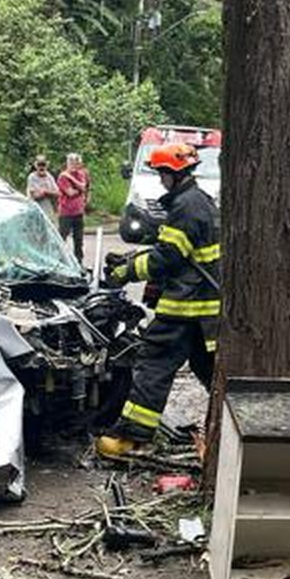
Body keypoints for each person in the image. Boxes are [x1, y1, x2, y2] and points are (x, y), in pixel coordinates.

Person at [95, 140, 220, 457]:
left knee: (152, 365)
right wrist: (131, 257)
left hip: (184, 306)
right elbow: (177, 250)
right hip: (202, 310)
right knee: (212, 372)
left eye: (162, 173)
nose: (160, 179)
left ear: (173, 173)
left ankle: (130, 436)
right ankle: (228, 427)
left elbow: (168, 258)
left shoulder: (187, 206)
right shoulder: (196, 201)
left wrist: (127, 272)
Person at [57, 152, 91, 262]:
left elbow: (84, 187)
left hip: (78, 212)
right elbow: (70, 192)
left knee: (79, 239)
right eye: (71, 163)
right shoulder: (63, 176)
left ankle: (79, 261)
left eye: (76, 163)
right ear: (67, 163)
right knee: (62, 238)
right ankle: (59, 260)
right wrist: (80, 189)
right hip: (66, 212)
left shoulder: (81, 174)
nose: (74, 165)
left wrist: (72, 180)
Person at [26, 155, 60, 221]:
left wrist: (45, 192)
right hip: (35, 211)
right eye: (39, 165)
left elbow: (57, 193)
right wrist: (47, 193)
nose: (41, 167)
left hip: (48, 211)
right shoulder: (32, 177)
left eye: (43, 164)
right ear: (36, 165)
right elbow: (35, 195)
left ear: (46, 165)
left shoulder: (49, 177)